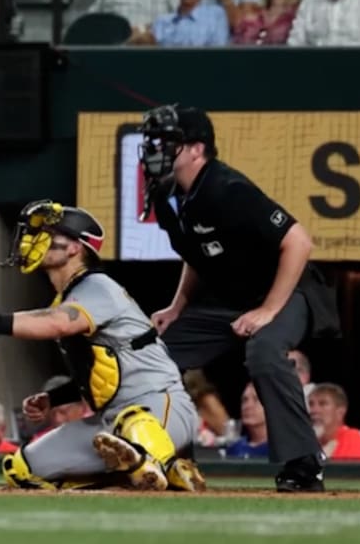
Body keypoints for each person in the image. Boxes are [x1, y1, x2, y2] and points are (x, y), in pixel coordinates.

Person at [0, 200, 205, 492]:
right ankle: (145, 470)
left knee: (133, 420)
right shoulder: (67, 299)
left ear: (74, 247)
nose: (35, 239)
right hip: (110, 421)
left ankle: (160, 462)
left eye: (47, 234)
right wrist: (55, 397)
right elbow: (104, 369)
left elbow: (57, 322)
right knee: (22, 469)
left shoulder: (97, 285)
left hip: (159, 406)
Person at [138, 104, 339, 493]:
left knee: (264, 351)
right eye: (153, 141)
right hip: (229, 299)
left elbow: (299, 242)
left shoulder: (228, 189)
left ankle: (304, 463)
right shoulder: (167, 195)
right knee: (154, 353)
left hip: (287, 290)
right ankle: (171, 454)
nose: (154, 149)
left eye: (166, 142)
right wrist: (178, 306)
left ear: (196, 150)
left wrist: (267, 310)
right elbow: (196, 254)